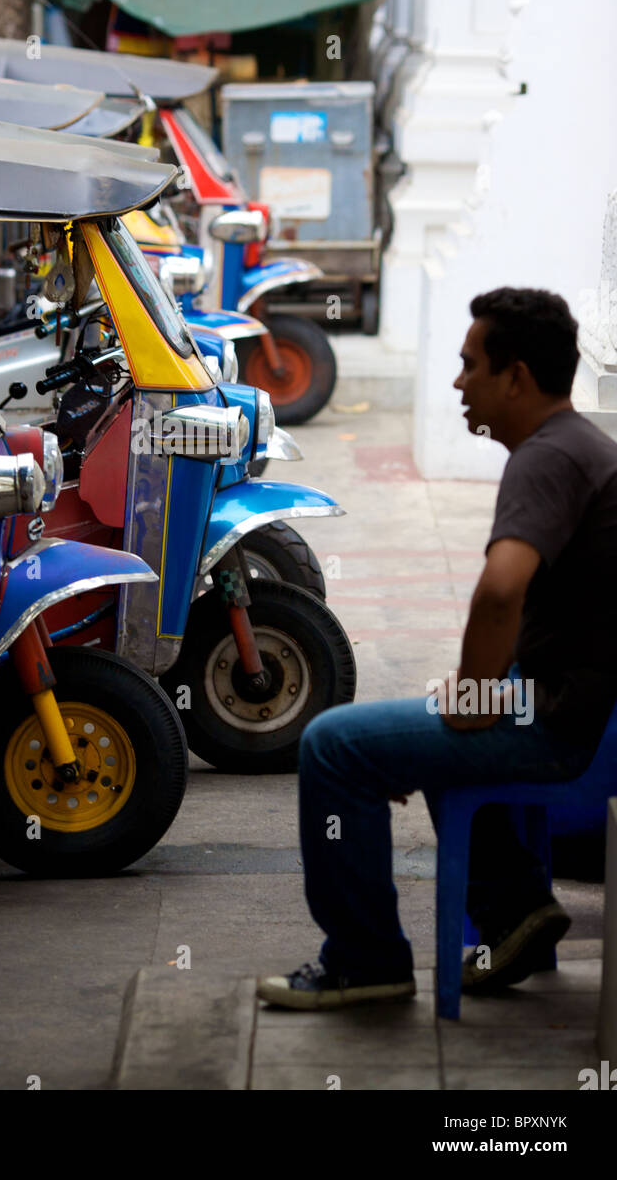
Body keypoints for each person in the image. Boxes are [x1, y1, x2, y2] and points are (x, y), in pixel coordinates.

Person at [259, 287, 617, 1009]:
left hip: (562, 726)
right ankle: (516, 908)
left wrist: (474, 700)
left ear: (515, 376)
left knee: (333, 745)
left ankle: (365, 962)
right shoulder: (583, 448)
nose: (457, 382)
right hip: (574, 707)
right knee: (421, 718)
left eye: (469, 364)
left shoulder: (547, 459)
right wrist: (464, 699)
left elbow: (498, 590)